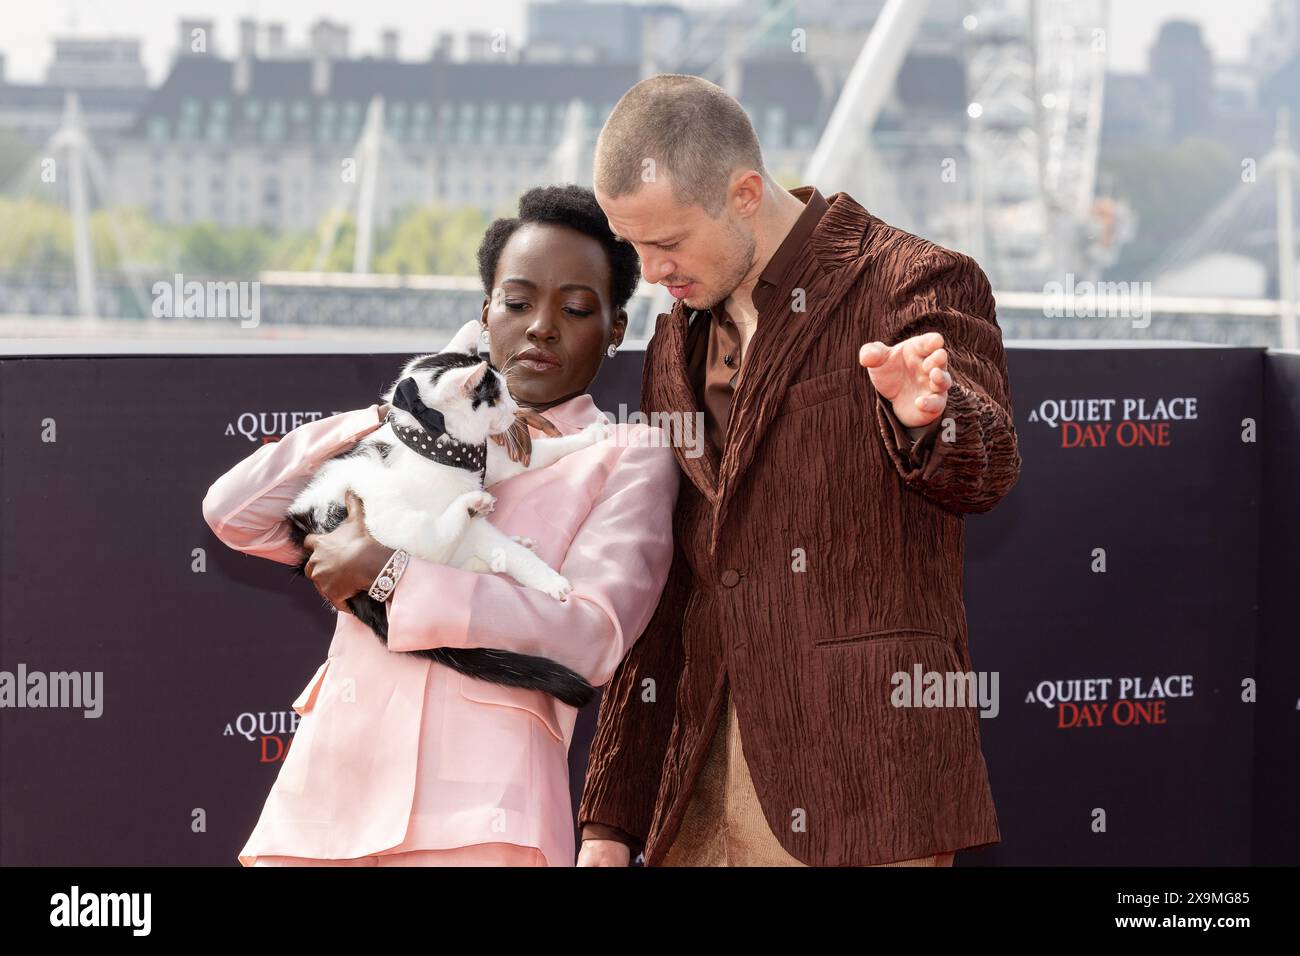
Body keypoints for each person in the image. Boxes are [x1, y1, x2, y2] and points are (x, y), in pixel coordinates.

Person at [577, 74, 1022, 867]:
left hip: (865, 780)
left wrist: (933, 419)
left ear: (745, 192)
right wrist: (611, 820)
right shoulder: (672, 346)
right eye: (633, 244)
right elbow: (667, 582)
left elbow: (984, 474)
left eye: (669, 242)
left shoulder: (913, 280)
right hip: (697, 790)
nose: (650, 271)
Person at [202, 184, 679, 866]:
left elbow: (590, 636)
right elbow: (232, 513)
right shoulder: (399, 437)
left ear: (614, 332)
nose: (540, 327)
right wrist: (408, 415)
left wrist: (395, 577)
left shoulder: (623, 457)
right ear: (484, 317)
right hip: (321, 811)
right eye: (515, 303)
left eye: (575, 309)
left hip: (485, 825)